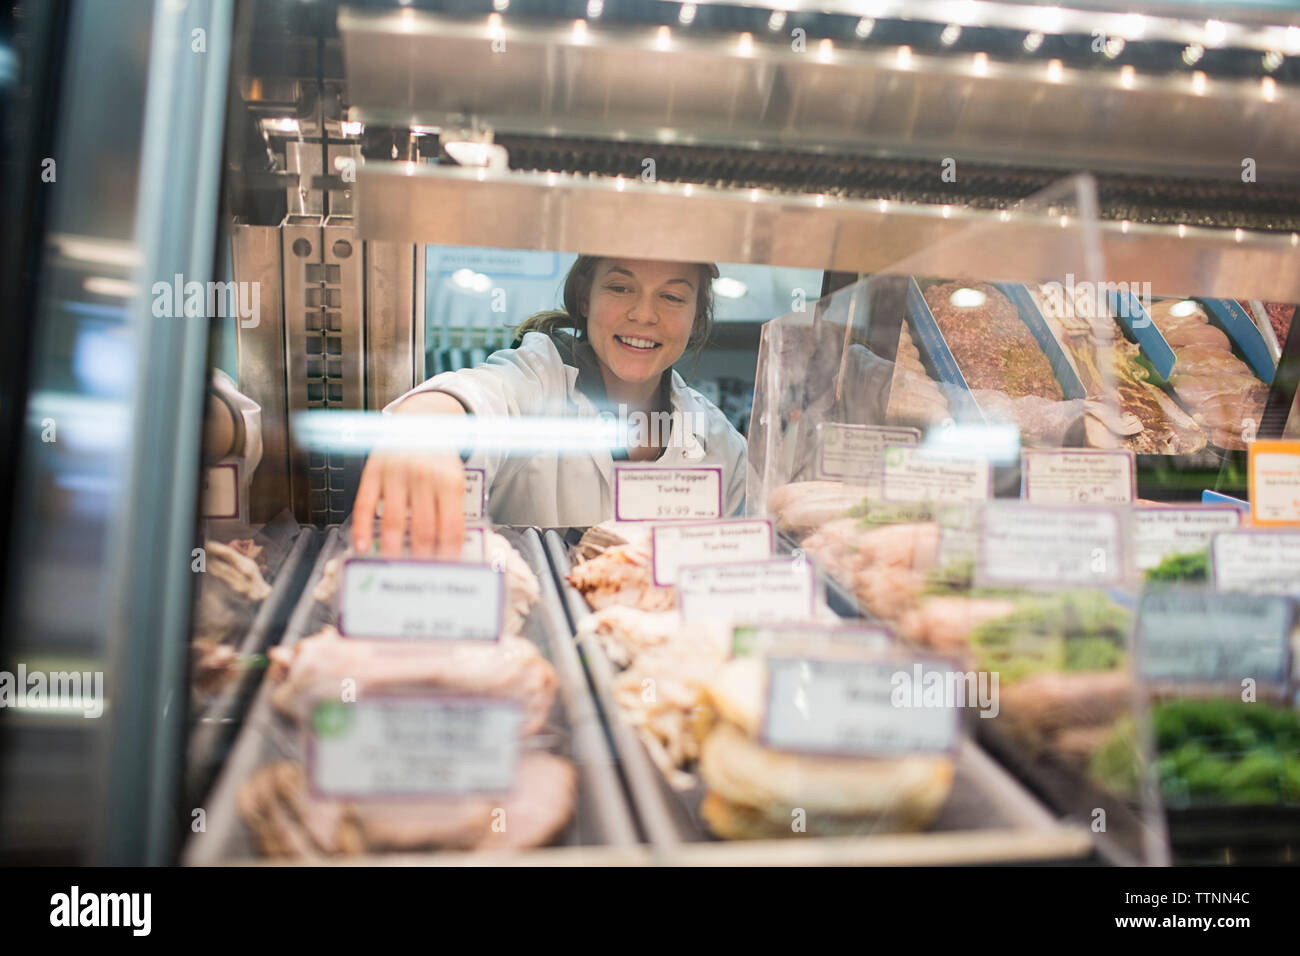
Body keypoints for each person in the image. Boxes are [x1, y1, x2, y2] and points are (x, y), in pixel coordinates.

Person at [351, 256, 748, 556]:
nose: (643, 314)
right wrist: (424, 430)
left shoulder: (719, 446)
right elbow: (486, 393)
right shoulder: (538, 380)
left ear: (696, 317)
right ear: (584, 297)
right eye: (620, 288)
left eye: (672, 296)